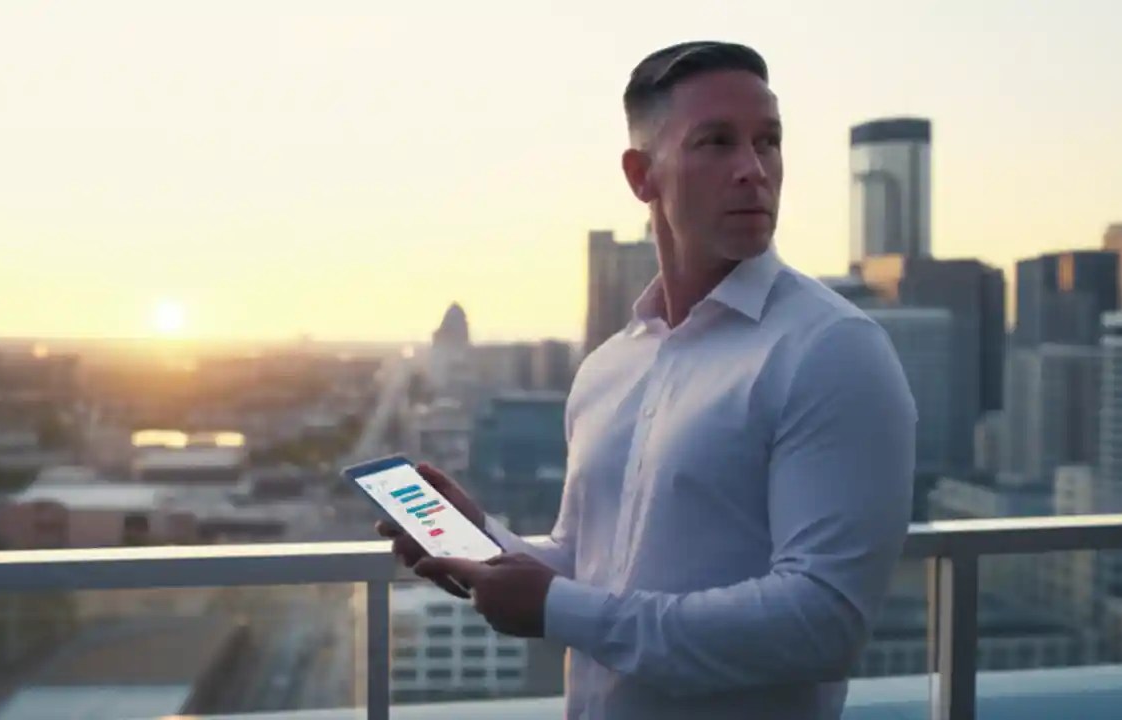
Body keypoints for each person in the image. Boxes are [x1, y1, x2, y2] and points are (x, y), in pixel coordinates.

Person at [377, 40, 916, 719]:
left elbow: (821, 623)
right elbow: (591, 568)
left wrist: (555, 608)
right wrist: (486, 541)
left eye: (768, 141)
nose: (753, 170)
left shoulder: (833, 350)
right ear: (642, 176)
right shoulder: (610, 368)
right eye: (716, 142)